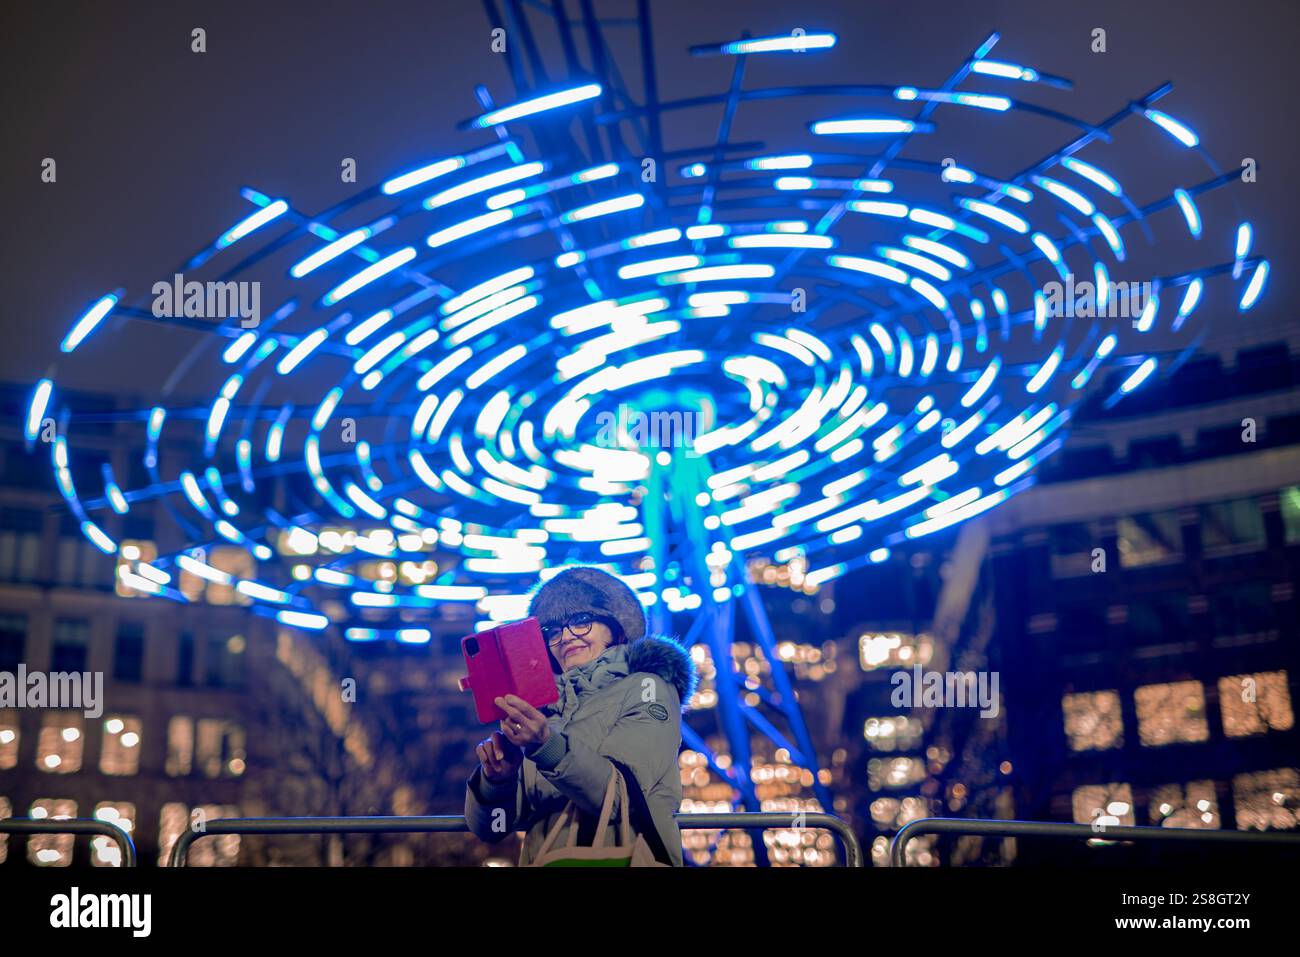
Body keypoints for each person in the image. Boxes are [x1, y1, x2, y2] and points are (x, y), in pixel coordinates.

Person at [464, 565, 696, 865]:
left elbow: (618, 798)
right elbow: (493, 829)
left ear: (616, 628)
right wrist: (497, 781)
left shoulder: (647, 686)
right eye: (553, 631)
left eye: (581, 620)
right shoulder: (542, 715)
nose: (566, 636)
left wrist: (547, 746)